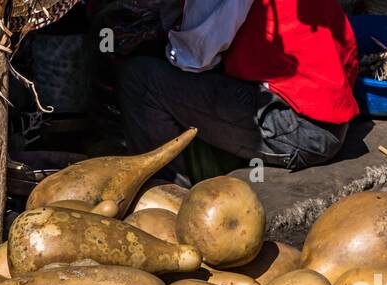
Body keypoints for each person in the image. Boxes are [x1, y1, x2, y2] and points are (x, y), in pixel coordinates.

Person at [117, 0, 359, 182]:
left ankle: (163, 203)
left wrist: (159, 37)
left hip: (302, 129)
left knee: (141, 80)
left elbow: (192, 59)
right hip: (328, 110)